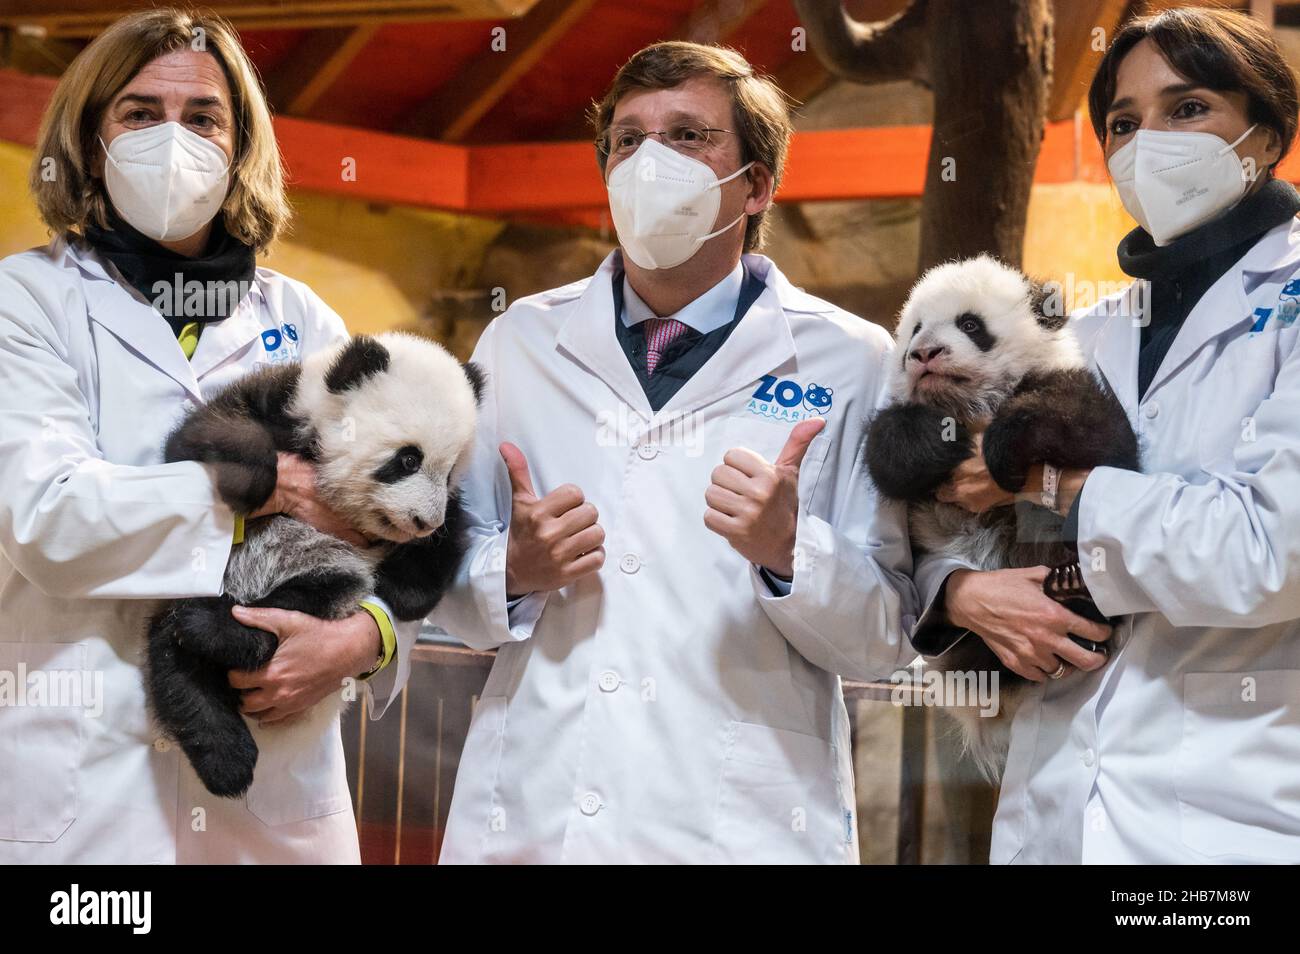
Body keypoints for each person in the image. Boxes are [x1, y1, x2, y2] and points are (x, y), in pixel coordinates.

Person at [429, 41, 922, 864]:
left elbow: (887, 635)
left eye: (688, 137)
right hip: (539, 813)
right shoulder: (519, 342)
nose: (649, 161)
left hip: (739, 824)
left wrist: (787, 553)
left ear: (756, 184)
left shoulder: (852, 360)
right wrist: (508, 572)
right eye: (628, 140)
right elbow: (436, 580)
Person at [0, 8, 420, 863]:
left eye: (202, 118)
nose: (173, 140)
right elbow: (47, 515)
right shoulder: (26, 302)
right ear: (89, 138)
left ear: (239, 147)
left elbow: (405, 530)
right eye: (139, 113)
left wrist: (361, 640)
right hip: (83, 788)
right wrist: (262, 489)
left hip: (275, 789)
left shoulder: (304, 323)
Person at [916, 7, 1300, 863]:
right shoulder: (1086, 334)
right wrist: (958, 594)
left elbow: (1268, 554)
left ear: (1268, 134)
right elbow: (952, 518)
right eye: (1123, 123)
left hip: (1238, 815)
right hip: (1053, 809)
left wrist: (1047, 482)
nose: (1147, 141)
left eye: (1187, 108)